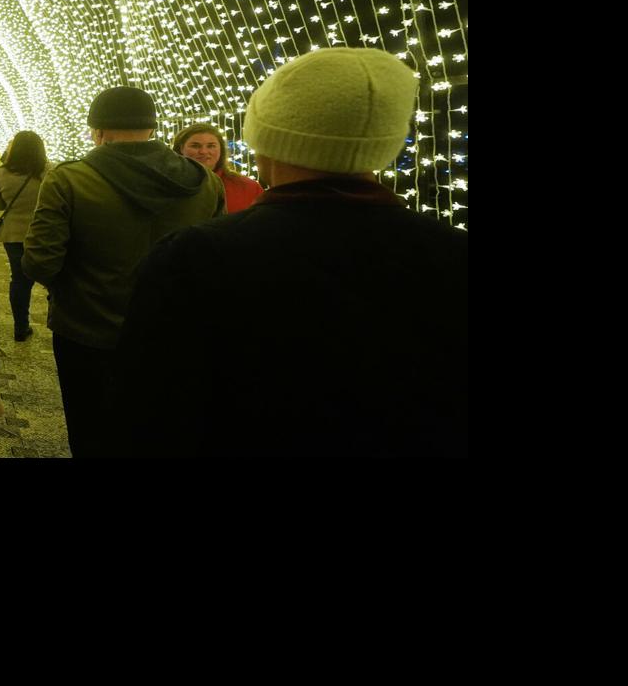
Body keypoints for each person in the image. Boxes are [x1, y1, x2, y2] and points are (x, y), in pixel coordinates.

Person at [116, 47, 469, 456]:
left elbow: (147, 415)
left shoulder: (195, 258)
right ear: (385, 145)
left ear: (266, 141)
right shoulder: (453, 257)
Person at [23, 86, 224, 457]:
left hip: (88, 332)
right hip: (174, 333)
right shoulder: (203, 181)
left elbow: (39, 261)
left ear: (97, 131)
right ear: (152, 128)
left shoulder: (69, 179)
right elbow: (216, 258)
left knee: (93, 432)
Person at [0, 131, 53, 342]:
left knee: (19, 280)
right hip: (45, 233)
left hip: (14, 235)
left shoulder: (0, 174)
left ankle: (21, 327)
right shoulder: (50, 171)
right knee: (53, 280)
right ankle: (57, 324)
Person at [173, 122, 264, 213]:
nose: (203, 151)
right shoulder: (168, 185)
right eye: (195, 146)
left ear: (221, 149)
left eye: (211, 146)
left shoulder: (247, 187)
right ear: (181, 149)